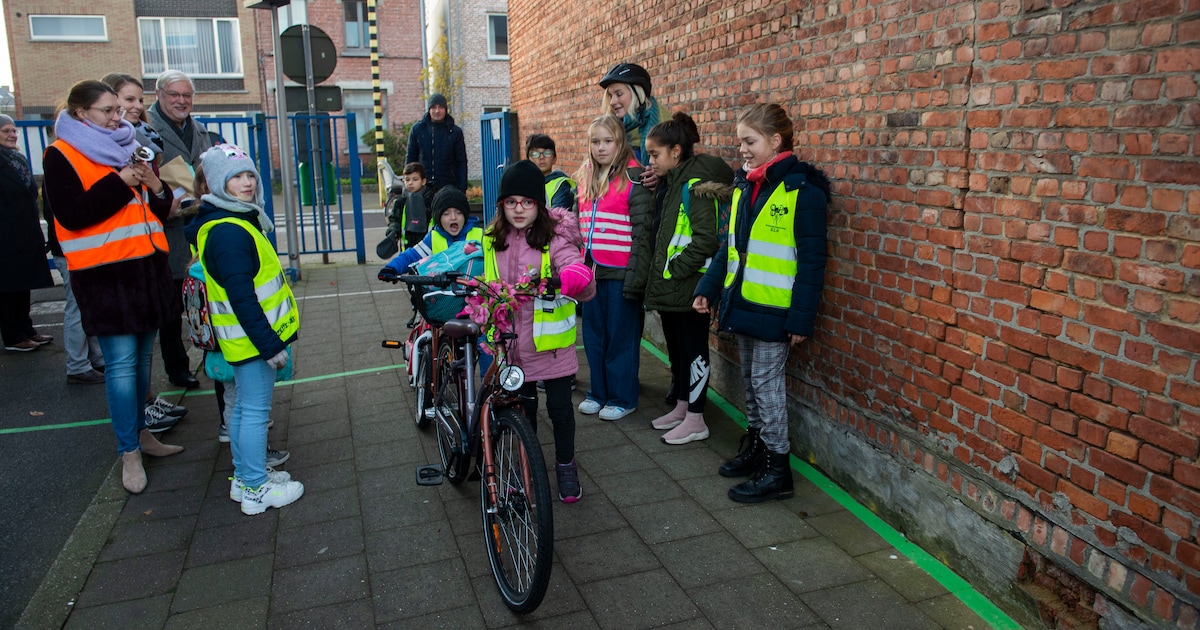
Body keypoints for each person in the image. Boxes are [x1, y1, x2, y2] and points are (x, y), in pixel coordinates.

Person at [43, 80, 184, 494]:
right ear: (81, 113)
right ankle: (129, 453)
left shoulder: (128, 143)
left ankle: (143, 437)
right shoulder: (60, 154)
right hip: (106, 276)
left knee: (141, 363)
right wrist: (121, 180)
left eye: (117, 110)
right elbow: (72, 215)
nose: (118, 117)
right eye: (108, 111)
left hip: (146, 269)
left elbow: (158, 209)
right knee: (121, 368)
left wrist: (154, 185)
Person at [694, 103, 830, 502]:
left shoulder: (803, 192)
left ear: (775, 141)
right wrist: (708, 287)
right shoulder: (744, 186)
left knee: (768, 388)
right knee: (752, 384)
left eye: (749, 141)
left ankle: (777, 469)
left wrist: (801, 320)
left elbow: (812, 263)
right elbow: (729, 249)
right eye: (740, 141)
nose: (742, 149)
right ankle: (757, 447)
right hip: (743, 303)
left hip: (775, 312)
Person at [187, 143, 304, 515]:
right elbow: (242, 296)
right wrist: (270, 344)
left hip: (240, 339)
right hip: (253, 341)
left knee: (240, 411)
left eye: (249, 174)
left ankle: (244, 476)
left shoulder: (229, 221)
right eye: (235, 177)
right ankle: (255, 488)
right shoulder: (230, 231)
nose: (246, 183)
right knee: (254, 410)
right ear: (217, 183)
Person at [484, 160, 595, 502]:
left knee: (560, 410)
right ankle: (525, 468)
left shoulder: (554, 237)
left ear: (539, 205)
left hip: (551, 347)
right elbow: (480, 276)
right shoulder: (492, 239)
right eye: (511, 202)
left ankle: (565, 466)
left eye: (528, 202)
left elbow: (577, 269)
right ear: (501, 204)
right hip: (512, 346)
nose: (519, 209)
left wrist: (570, 278)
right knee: (523, 410)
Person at [629, 112, 734, 445]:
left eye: (655, 154)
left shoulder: (693, 185)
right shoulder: (672, 183)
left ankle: (696, 418)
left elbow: (705, 239)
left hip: (689, 288)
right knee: (678, 350)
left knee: (694, 351)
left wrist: (673, 269)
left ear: (676, 152)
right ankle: (684, 406)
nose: (651, 161)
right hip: (673, 288)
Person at [102, 72, 189, 425]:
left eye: (138, 100)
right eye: (127, 101)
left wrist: (159, 190)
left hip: (152, 250)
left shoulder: (142, 139)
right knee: (125, 357)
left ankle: (148, 404)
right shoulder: (99, 149)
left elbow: (158, 197)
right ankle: (134, 433)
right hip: (118, 263)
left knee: (144, 344)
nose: (135, 107)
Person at [573, 115, 651, 422]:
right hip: (591, 273)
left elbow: (643, 234)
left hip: (621, 274)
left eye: (608, 141)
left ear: (620, 143)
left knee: (621, 337)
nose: (601, 148)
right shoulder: (584, 178)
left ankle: (623, 397)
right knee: (594, 336)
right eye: (596, 141)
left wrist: (636, 278)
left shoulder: (635, 179)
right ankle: (598, 392)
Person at [146, 70, 212, 389]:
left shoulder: (199, 129)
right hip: (165, 229)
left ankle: (209, 352)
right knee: (171, 309)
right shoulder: (145, 129)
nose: (181, 101)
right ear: (158, 94)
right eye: (174, 94)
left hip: (197, 224)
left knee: (201, 298)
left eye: (187, 95)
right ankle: (177, 368)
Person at [0, 114, 54, 354]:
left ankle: (27, 329)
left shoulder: (17, 159)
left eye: (14, 130)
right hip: (6, 234)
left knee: (23, 285)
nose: (12, 135)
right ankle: (13, 336)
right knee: (8, 288)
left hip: (25, 232)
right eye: (6, 131)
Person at [381, 185, 483, 275]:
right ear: (438, 218)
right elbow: (411, 256)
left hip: (476, 294)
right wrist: (392, 268)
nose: (453, 217)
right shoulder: (434, 238)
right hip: (441, 294)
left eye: (459, 213)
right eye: (446, 214)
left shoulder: (480, 236)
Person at [599, 62, 670, 185]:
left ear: (638, 93)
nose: (612, 101)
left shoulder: (663, 123)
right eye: (610, 95)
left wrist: (662, 174)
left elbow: (680, 167)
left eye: (619, 94)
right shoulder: (611, 127)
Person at [405, 93, 468, 194]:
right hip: (422, 186)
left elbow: (461, 162)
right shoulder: (417, 130)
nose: (437, 111)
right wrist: (408, 182)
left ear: (445, 109)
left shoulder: (455, 132)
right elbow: (411, 158)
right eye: (433, 107)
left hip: (448, 186)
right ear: (429, 109)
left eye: (441, 107)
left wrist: (462, 188)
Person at [384, 162, 436, 251]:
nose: (411, 183)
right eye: (407, 180)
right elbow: (395, 219)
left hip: (427, 244)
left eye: (415, 179)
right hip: (407, 245)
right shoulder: (400, 202)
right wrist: (393, 230)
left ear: (423, 181)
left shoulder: (431, 200)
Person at [526, 134, 575, 210]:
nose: (541, 157)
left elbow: (559, 218)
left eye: (547, 153)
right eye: (535, 154)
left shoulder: (561, 185)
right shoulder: (524, 184)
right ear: (528, 159)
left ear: (555, 158)